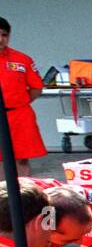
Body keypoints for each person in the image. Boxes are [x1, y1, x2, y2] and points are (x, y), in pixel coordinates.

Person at [0, 17, 47, 176]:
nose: (1, 39)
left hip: (19, 115)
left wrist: (18, 102)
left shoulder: (22, 60)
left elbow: (36, 87)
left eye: (4, 35)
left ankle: (26, 197)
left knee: (21, 159)